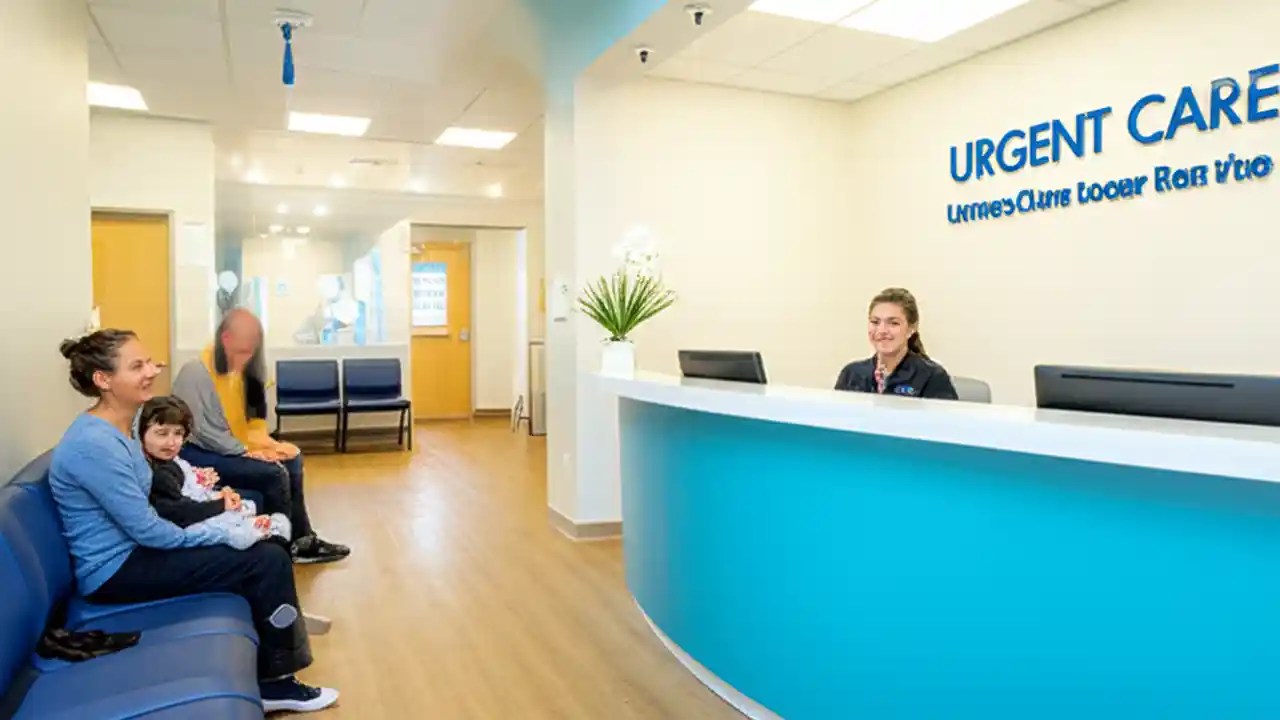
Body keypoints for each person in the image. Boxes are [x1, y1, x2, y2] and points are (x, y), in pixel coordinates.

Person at [49, 329, 339, 713]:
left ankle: (280, 639)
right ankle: (276, 681)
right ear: (103, 380)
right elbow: (148, 529)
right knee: (264, 559)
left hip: (136, 552)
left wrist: (221, 521)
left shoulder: (122, 427)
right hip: (115, 571)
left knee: (263, 545)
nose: (152, 371)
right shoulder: (94, 445)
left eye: (149, 361)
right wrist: (218, 538)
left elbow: (155, 505)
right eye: (137, 366)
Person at [172, 308, 349, 564]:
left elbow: (256, 419)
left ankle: (302, 539)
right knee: (273, 473)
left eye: (251, 351)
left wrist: (264, 446)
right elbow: (204, 432)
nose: (246, 358)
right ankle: (277, 550)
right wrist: (247, 452)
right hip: (199, 451)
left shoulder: (249, 369)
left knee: (291, 458)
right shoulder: (196, 372)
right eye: (242, 351)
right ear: (226, 339)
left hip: (230, 444)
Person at [138, 395, 291, 550]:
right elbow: (179, 511)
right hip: (186, 524)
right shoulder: (159, 474)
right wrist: (220, 504)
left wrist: (199, 479)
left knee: (248, 503)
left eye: (178, 433)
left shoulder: (170, 460)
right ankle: (249, 532)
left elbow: (185, 479)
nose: (171, 442)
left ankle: (254, 528)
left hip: (194, 505)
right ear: (141, 433)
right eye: (162, 433)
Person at [834, 287, 959, 400]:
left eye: (893, 323)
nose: (882, 330)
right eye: (875, 322)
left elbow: (944, 424)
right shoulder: (851, 374)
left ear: (911, 329)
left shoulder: (932, 377)